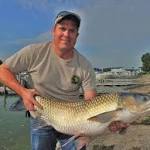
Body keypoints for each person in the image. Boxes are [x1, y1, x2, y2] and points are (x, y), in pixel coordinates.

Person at [0, 11, 128, 150]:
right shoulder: (33, 52)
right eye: (62, 28)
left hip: (73, 120)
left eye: (72, 30)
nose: (66, 34)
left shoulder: (85, 66)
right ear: (53, 31)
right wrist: (23, 92)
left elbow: (91, 102)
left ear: (77, 36)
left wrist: (109, 122)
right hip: (41, 113)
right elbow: (2, 70)